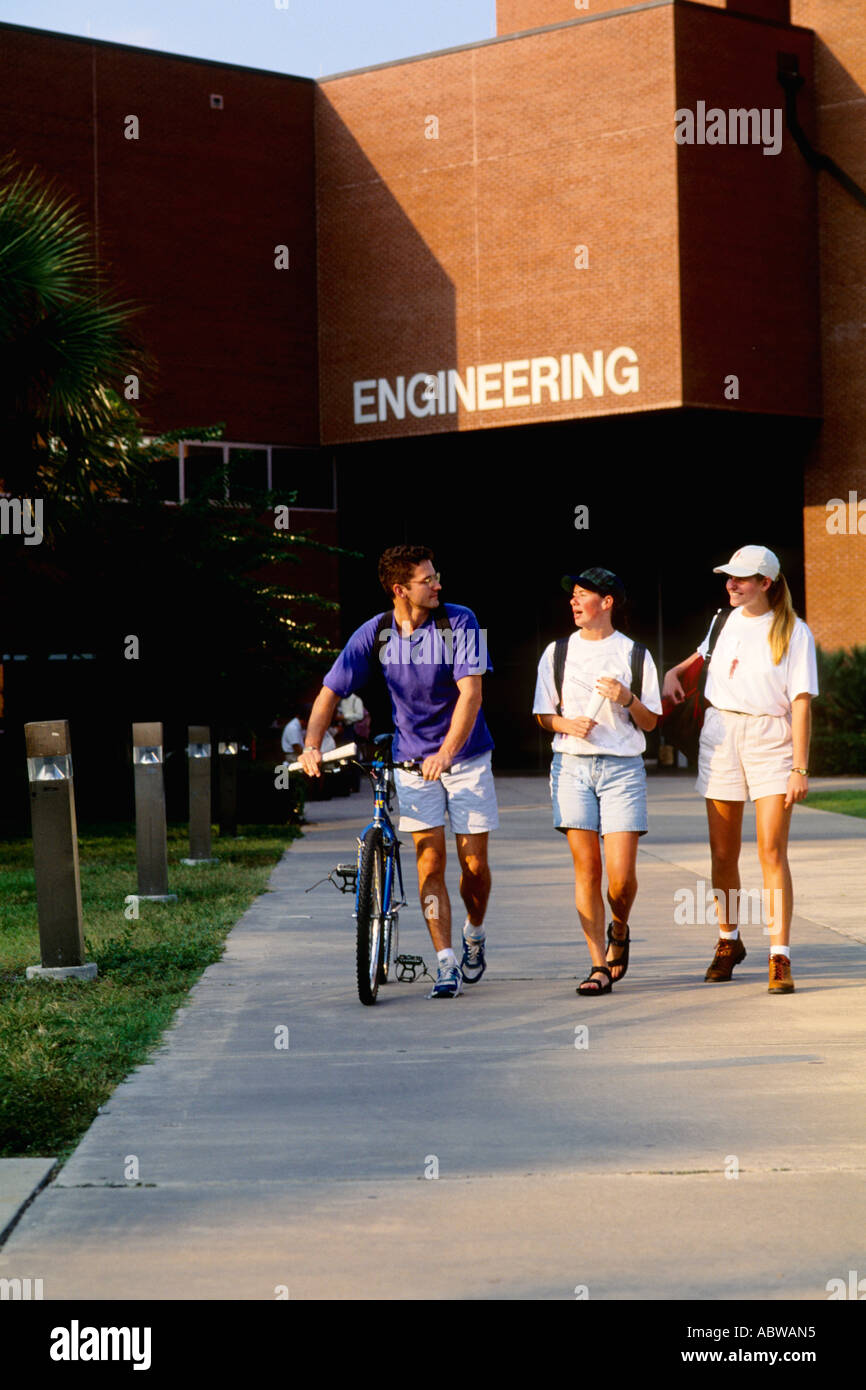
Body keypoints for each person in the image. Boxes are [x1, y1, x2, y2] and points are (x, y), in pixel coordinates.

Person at [299, 544, 498, 998]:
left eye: (436, 576)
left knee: (474, 867)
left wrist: (447, 751)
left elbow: (471, 695)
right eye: (427, 580)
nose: (437, 585)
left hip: (466, 758)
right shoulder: (377, 632)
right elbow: (330, 691)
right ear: (399, 590)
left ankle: (474, 932)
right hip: (411, 761)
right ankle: (446, 962)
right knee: (429, 862)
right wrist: (312, 745)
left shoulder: (460, 620)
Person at [662, 545, 818, 994]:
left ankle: (780, 956)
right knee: (723, 854)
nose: (731, 584)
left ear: (766, 583)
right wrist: (675, 672)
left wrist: (799, 768)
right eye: (729, 577)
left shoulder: (794, 632)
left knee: (771, 851)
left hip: (772, 741)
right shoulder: (724, 620)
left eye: (742, 578)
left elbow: (801, 703)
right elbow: (700, 660)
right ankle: (729, 941)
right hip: (721, 736)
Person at [533, 567, 661, 996]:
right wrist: (567, 724)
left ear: (606, 603)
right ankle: (597, 965)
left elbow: (651, 721)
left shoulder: (635, 654)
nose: (573, 601)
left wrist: (627, 698)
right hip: (571, 767)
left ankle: (619, 927)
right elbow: (542, 714)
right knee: (587, 869)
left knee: (620, 881)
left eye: (582, 594)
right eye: (572, 595)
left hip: (623, 770)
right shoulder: (557, 652)